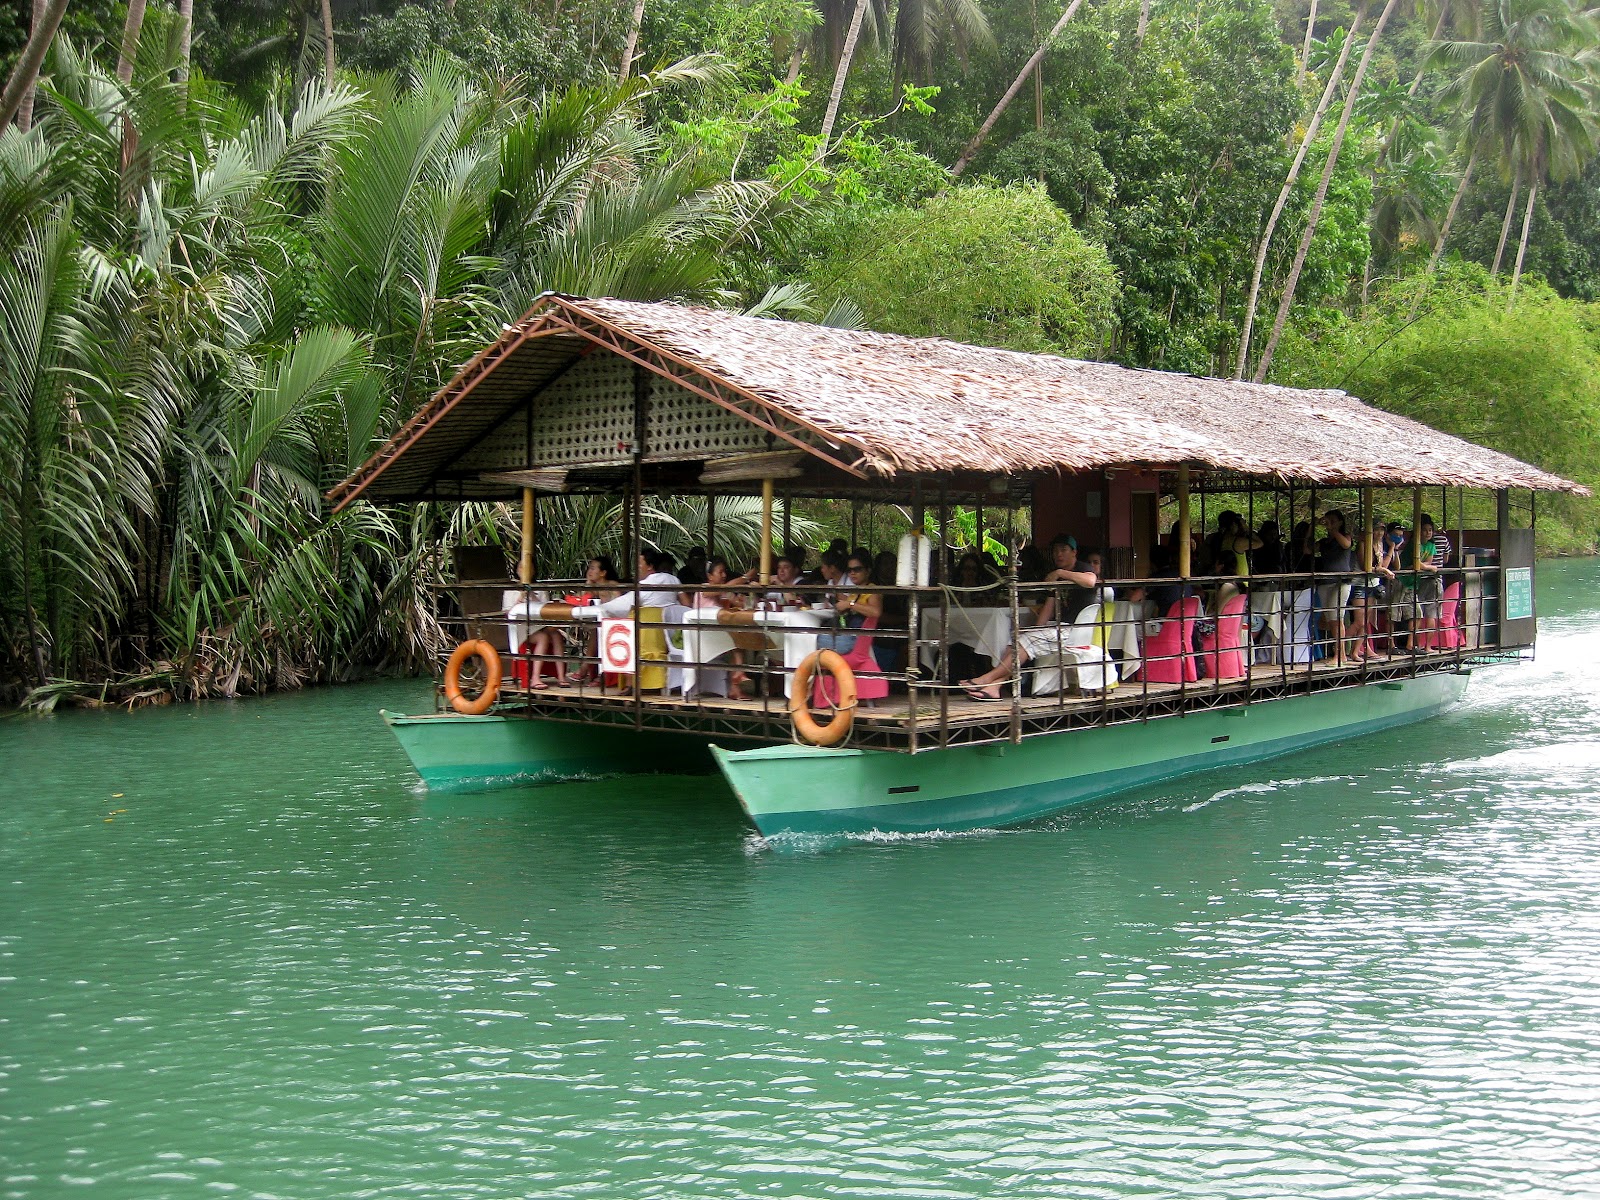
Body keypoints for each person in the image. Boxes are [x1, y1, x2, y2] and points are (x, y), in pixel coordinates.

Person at [960, 535, 1097, 699]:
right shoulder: (1055, 577)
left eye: (1063, 550)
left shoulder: (1082, 568)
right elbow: (1048, 608)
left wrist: (1061, 573)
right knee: (1017, 640)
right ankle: (995, 687)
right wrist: (1034, 630)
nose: (1058, 554)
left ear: (1074, 552)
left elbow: (1091, 581)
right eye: (1055, 551)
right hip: (1059, 630)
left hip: (1076, 633)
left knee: (1028, 641)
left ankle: (987, 679)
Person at [1314, 509, 1354, 663]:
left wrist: (1333, 529)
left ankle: (1341, 655)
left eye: (1333, 520)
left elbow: (1346, 544)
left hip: (1341, 582)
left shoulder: (1346, 537)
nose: (1329, 522)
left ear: (1340, 522)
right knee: (1331, 620)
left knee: (1338, 618)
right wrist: (1313, 525)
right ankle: (1339, 654)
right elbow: (1308, 549)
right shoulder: (1324, 542)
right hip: (1325, 582)